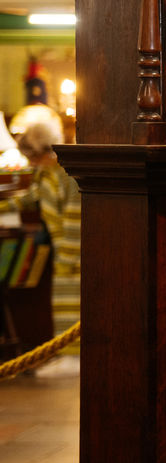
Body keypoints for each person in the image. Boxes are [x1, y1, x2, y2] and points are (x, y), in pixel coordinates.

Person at [4, 120, 82, 360]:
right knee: (61, 307)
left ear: (45, 151)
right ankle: (66, 357)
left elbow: (74, 215)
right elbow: (30, 197)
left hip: (75, 253)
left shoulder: (68, 173)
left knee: (74, 308)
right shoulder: (43, 173)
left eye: (34, 157)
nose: (32, 163)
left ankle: (77, 359)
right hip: (62, 251)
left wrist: (69, 257)